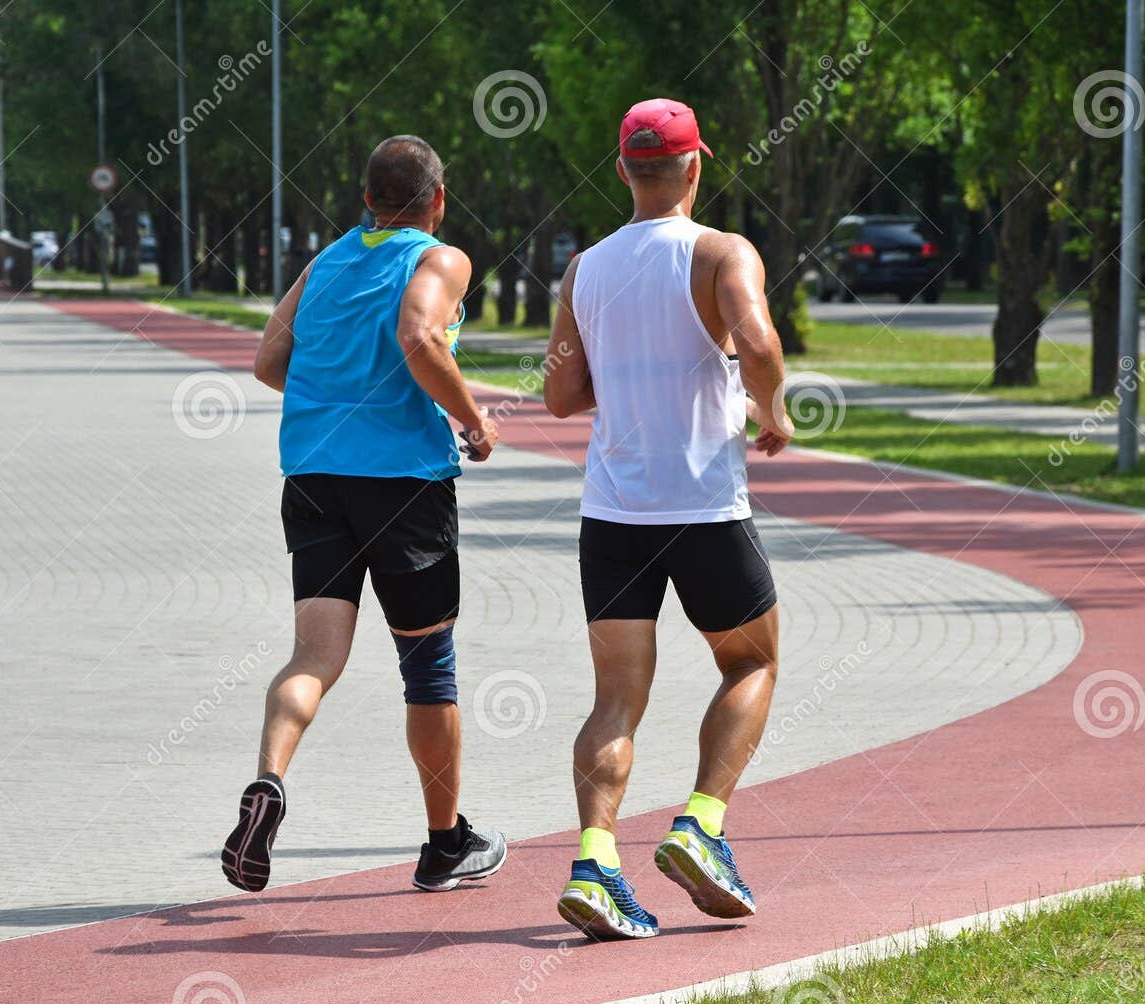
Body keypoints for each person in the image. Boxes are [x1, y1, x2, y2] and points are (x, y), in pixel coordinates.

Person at [222, 135, 507, 895]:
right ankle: (444, 844)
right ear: (437, 199)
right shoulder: (439, 259)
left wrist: (335, 397)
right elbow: (419, 336)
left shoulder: (324, 263)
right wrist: (474, 420)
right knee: (428, 665)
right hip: (404, 485)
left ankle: (268, 781)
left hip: (314, 476)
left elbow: (268, 362)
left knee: (313, 658)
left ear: (366, 200)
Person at [542, 98, 796, 940]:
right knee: (753, 659)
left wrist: (629, 377)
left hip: (613, 513)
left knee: (615, 698)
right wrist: (774, 410)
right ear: (695, 167)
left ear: (623, 169)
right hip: (703, 507)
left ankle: (594, 863)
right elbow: (760, 344)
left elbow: (559, 394)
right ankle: (701, 825)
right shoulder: (722, 252)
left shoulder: (584, 270)